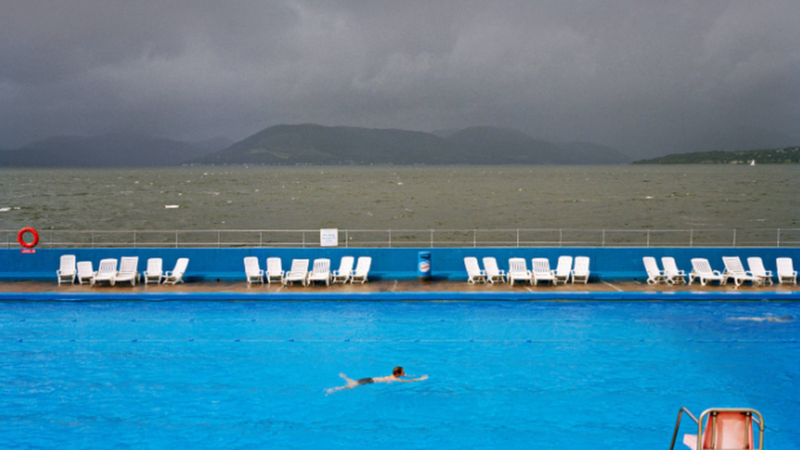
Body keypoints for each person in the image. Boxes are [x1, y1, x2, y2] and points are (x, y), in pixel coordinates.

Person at [326, 366, 427, 394]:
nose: (404, 374)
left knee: (354, 382)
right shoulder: (395, 379)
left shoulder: (393, 375)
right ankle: (338, 388)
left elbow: (405, 377)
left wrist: (409, 375)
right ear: (397, 374)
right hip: (371, 381)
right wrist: (420, 379)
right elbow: (406, 381)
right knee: (352, 386)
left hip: (370, 378)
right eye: (402, 372)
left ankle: (345, 377)